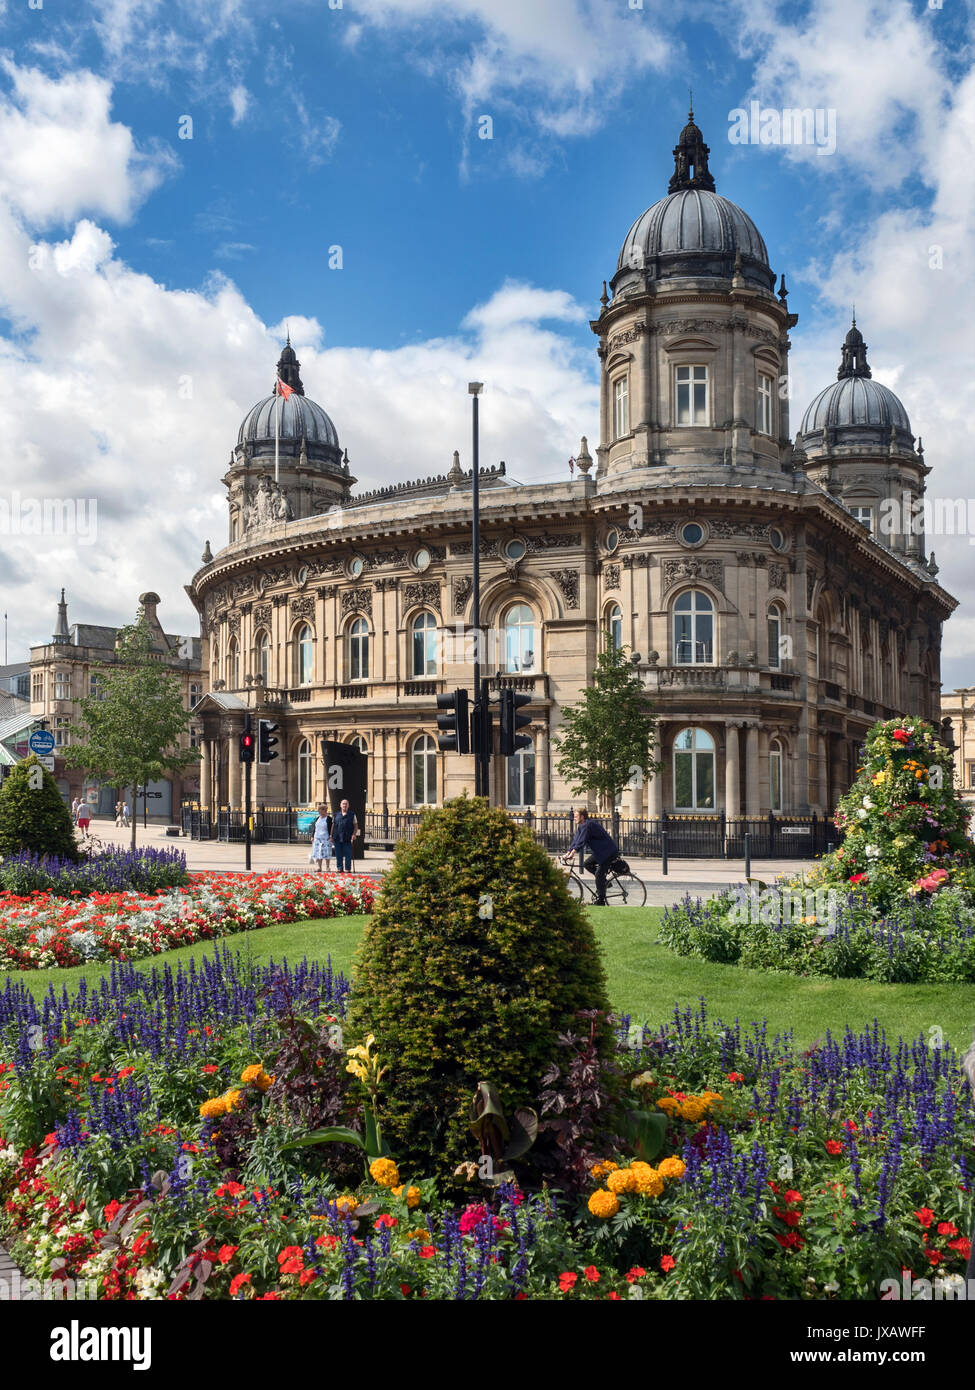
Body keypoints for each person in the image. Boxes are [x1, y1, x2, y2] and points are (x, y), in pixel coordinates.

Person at [561, 807, 619, 906]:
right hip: (600, 852)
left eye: (576, 816)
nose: (574, 818)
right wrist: (568, 852)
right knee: (587, 864)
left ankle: (601, 901)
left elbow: (582, 841)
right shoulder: (581, 826)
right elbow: (576, 840)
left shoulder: (588, 825)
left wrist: (573, 853)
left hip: (608, 852)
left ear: (582, 817)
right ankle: (604, 883)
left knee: (599, 874)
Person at [331, 798, 360, 873]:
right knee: (338, 854)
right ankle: (339, 868)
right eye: (343, 804)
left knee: (348, 854)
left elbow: (356, 825)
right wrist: (331, 836)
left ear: (348, 806)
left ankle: (348, 868)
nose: (344, 805)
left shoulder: (352, 815)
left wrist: (354, 834)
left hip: (347, 837)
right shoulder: (336, 814)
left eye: (346, 804)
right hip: (337, 837)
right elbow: (333, 826)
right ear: (340, 805)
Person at [311, 803, 334, 873]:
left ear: (325, 810)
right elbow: (315, 828)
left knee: (326, 853)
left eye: (320, 810)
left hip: (326, 838)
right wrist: (312, 836)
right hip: (317, 838)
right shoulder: (317, 818)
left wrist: (331, 836)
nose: (319, 811)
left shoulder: (329, 819)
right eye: (319, 810)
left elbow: (332, 829)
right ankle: (319, 867)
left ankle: (327, 867)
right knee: (318, 853)